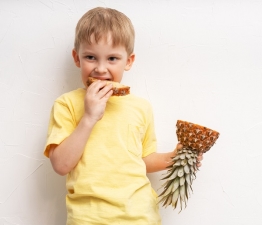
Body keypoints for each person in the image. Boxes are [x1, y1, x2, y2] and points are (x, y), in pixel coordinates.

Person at [44, 7, 203, 225]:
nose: (100, 68)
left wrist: (174, 158)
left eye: (112, 58)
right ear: (77, 58)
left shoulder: (141, 107)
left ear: (128, 61)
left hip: (140, 215)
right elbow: (61, 165)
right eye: (90, 57)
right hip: (88, 218)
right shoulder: (67, 104)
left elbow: (141, 161)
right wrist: (89, 117)